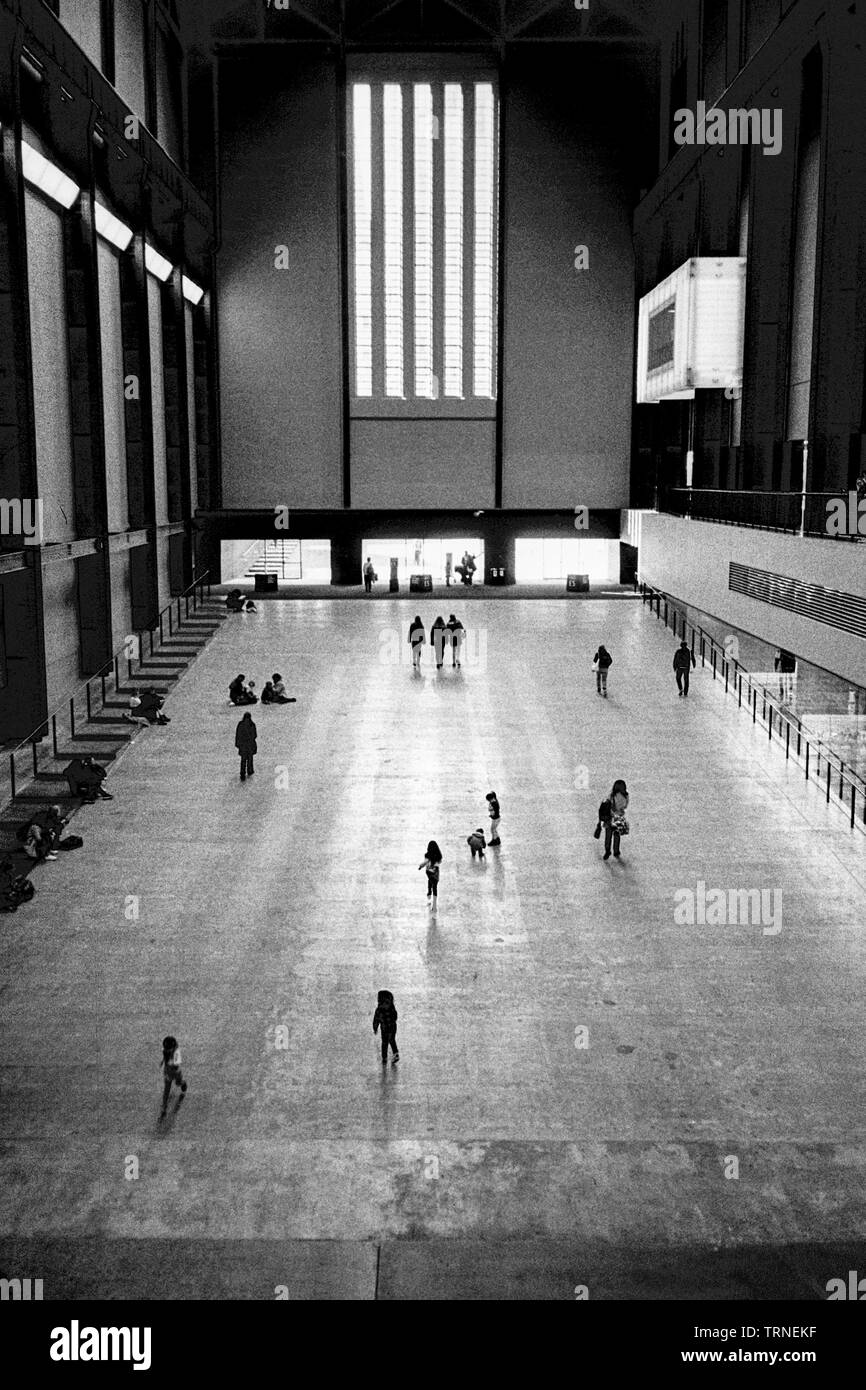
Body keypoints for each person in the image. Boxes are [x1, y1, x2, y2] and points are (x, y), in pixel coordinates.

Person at [596, 779, 629, 861]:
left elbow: (606, 804)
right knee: (617, 835)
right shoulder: (626, 796)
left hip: (609, 818)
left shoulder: (612, 795)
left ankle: (607, 850)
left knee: (608, 836)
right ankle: (616, 851)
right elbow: (625, 806)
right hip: (619, 818)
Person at [160, 1035, 188, 1118]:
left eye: (169, 1048)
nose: (167, 1050)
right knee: (166, 1090)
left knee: (178, 1083)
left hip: (175, 1072)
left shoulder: (176, 1053)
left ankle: (183, 1083)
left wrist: (171, 1063)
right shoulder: (165, 1050)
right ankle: (164, 1107)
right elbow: (165, 1056)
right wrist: (163, 1061)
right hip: (167, 1072)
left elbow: (176, 1066)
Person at [373, 989, 399, 1066]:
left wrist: (375, 1027)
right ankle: (391, 1055)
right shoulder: (389, 1008)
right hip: (389, 1027)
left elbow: (376, 1019)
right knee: (389, 1041)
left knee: (387, 1041)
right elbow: (395, 1016)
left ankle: (388, 1056)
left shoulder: (381, 1009)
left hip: (387, 1028)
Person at [235, 711, 257, 781]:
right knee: (249, 759)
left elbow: (238, 735)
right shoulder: (252, 724)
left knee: (244, 759)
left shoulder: (241, 724)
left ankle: (243, 773)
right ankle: (249, 771)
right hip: (248, 745)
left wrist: (238, 744)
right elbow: (255, 735)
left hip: (244, 745)